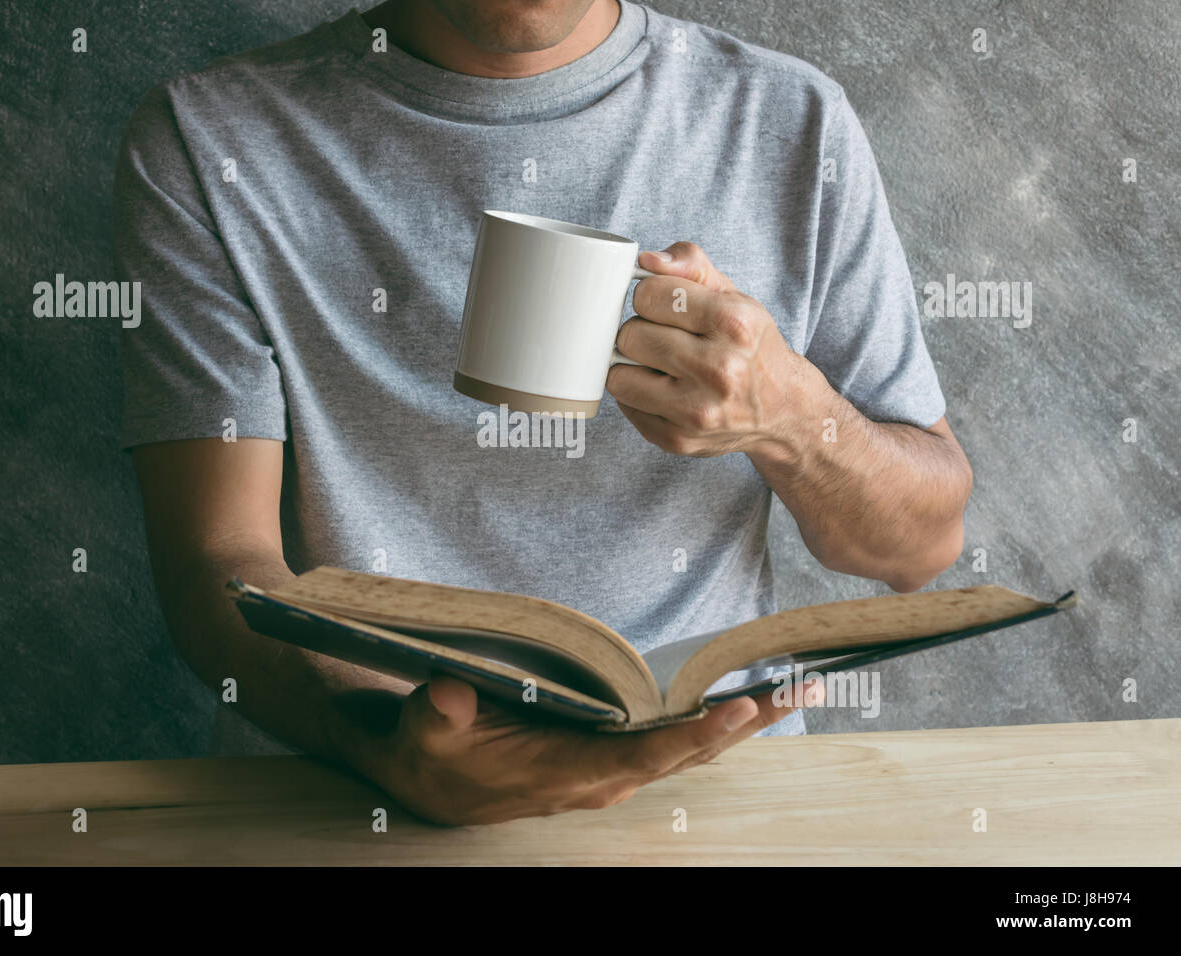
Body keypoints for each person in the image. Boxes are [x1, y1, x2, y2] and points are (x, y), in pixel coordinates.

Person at [114, 0, 972, 825]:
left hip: (711, 798)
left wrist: (789, 416)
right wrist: (380, 746)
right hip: (352, 804)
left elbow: (919, 550)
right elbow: (219, 561)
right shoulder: (209, 139)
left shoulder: (792, 121)